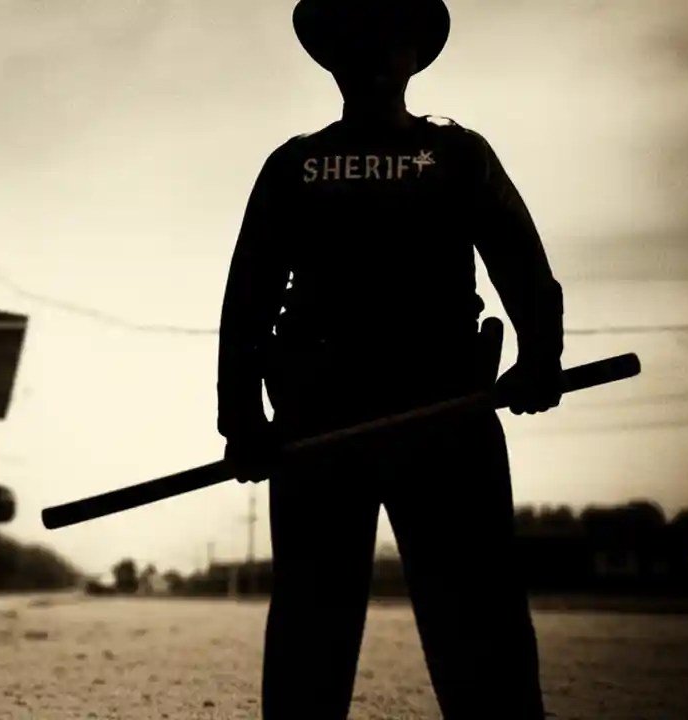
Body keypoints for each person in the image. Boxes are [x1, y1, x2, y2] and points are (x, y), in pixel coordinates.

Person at [216, 1, 565, 718]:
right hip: (319, 427)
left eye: (387, 36)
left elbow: (523, 267)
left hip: (444, 415)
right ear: (332, 60)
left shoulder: (459, 156)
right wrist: (242, 416)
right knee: (314, 626)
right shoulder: (294, 165)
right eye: (356, 36)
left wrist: (540, 358)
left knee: (479, 626)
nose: (373, 51)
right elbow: (247, 299)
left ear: (413, 55)